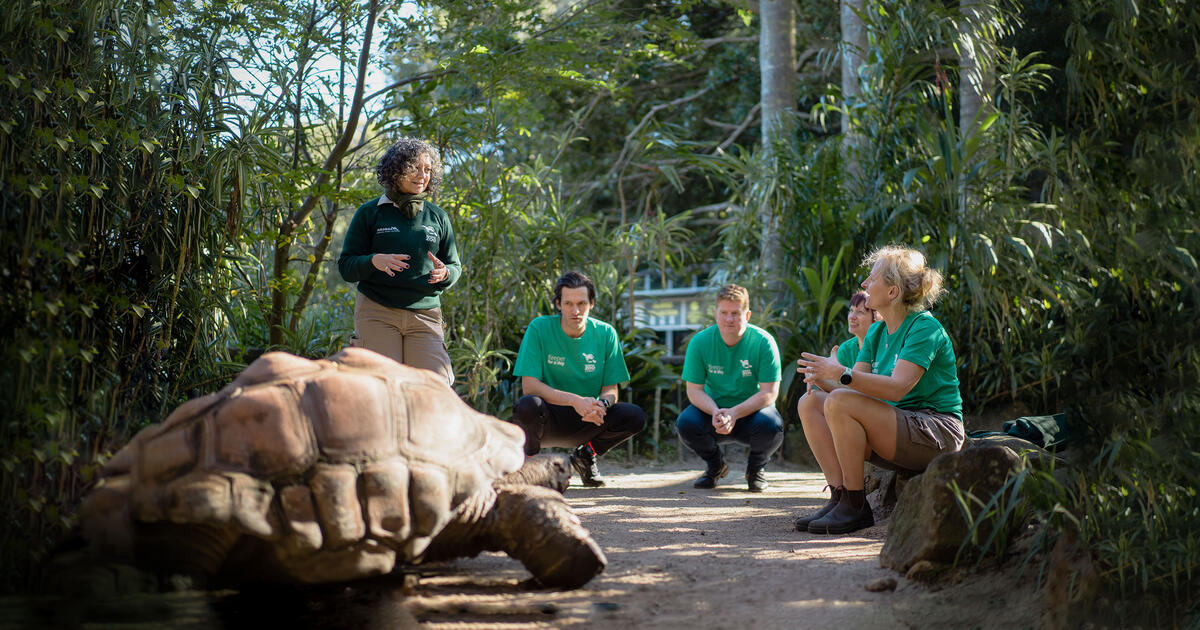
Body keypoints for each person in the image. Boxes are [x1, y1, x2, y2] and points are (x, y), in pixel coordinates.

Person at [794, 246, 964, 535]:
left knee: (839, 400)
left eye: (871, 278)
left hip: (936, 430)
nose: (864, 284)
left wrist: (841, 373)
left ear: (893, 292)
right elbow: (854, 390)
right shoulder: (876, 331)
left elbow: (897, 389)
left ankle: (856, 506)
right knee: (810, 403)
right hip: (897, 425)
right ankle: (841, 498)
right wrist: (824, 378)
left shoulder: (924, 328)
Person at [337, 138, 461, 386]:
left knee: (435, 387)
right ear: (395, 170)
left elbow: (455, 266)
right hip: (378, 312)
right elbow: (346, 266)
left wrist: (445, 274)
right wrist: (374, 261)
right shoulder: (370, 213)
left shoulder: (438, 217)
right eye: (414, 167)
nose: (421, 175)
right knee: (380, 387)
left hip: (425, 315)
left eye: (427, 169)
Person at [510, 271, 647, 487]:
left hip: (589, 417)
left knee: (634, 416)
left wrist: (601, 405)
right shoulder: (539, 328)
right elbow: (530, 386)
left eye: (582, 303)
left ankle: (585, 456)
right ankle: (531, 469)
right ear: (558, 304)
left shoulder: (606, 333)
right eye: (568, 304)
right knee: (528, 405)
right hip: (549, 418)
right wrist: (575, 400)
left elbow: (611, 389)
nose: (575, 311)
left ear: (591, 304)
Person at [676, 284, 784, 492]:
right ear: (716, 314)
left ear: (748, 314)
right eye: (724, 313)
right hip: (713, 413)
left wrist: (734, 413)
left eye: (735, 313)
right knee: (686, 423)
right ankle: (715, 466)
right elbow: (694, 391)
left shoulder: (764, 342)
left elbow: (769, 393)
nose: (729, 319)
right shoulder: (700, 342)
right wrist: (716, 412)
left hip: (751, 414)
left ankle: (755, 470)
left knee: (773, 426)